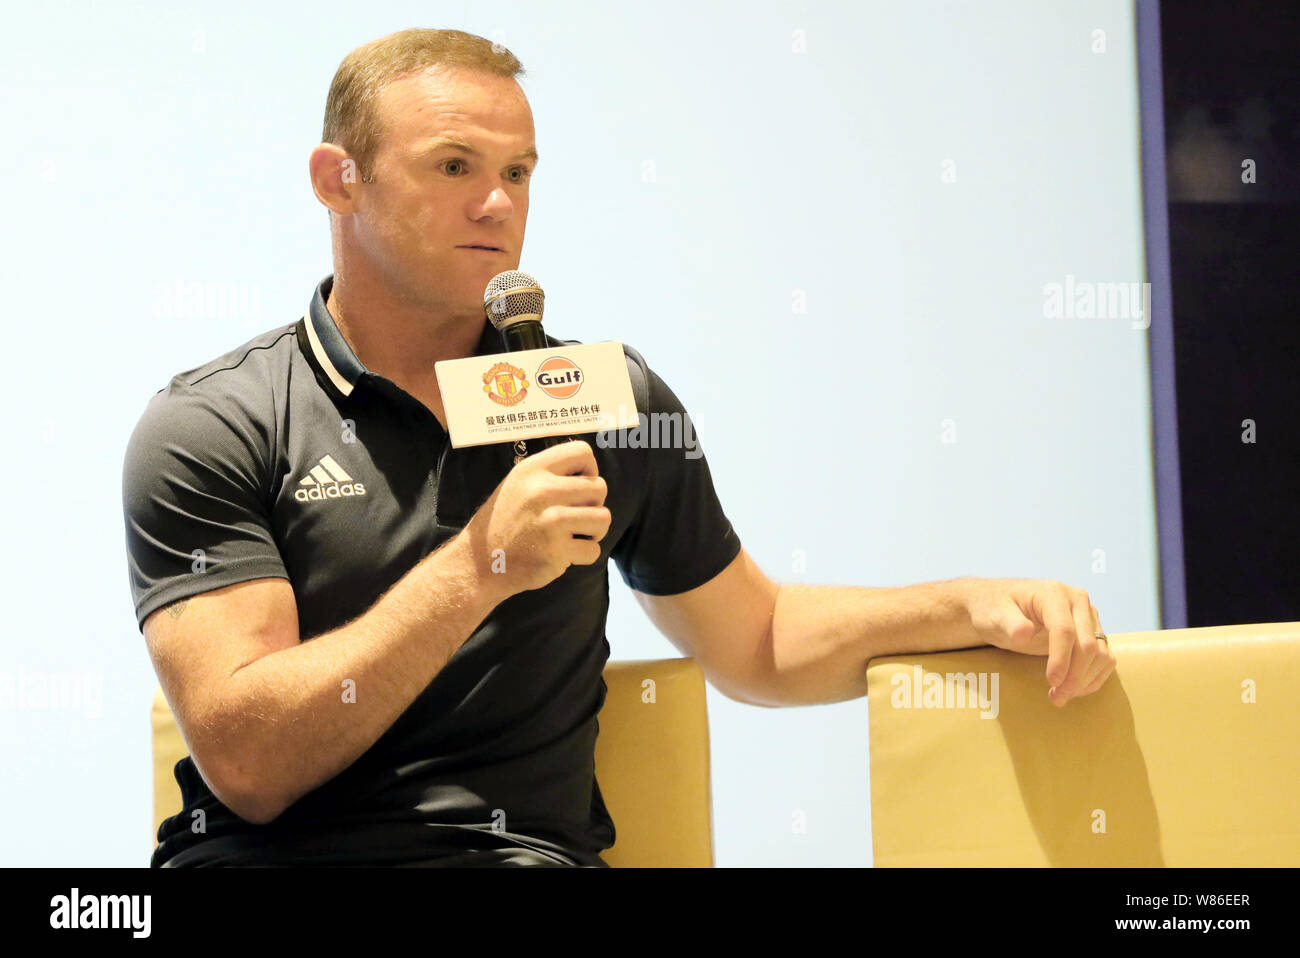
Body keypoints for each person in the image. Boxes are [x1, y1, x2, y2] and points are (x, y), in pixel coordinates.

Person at [121, 28, 1115, 868]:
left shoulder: (604, 399)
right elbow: (249, 765)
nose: (498, 204)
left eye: (517, 173)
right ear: (338, 181)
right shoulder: (217, 422)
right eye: (455, 166)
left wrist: (967, 605)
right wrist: (478, 568)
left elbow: (756, 640)